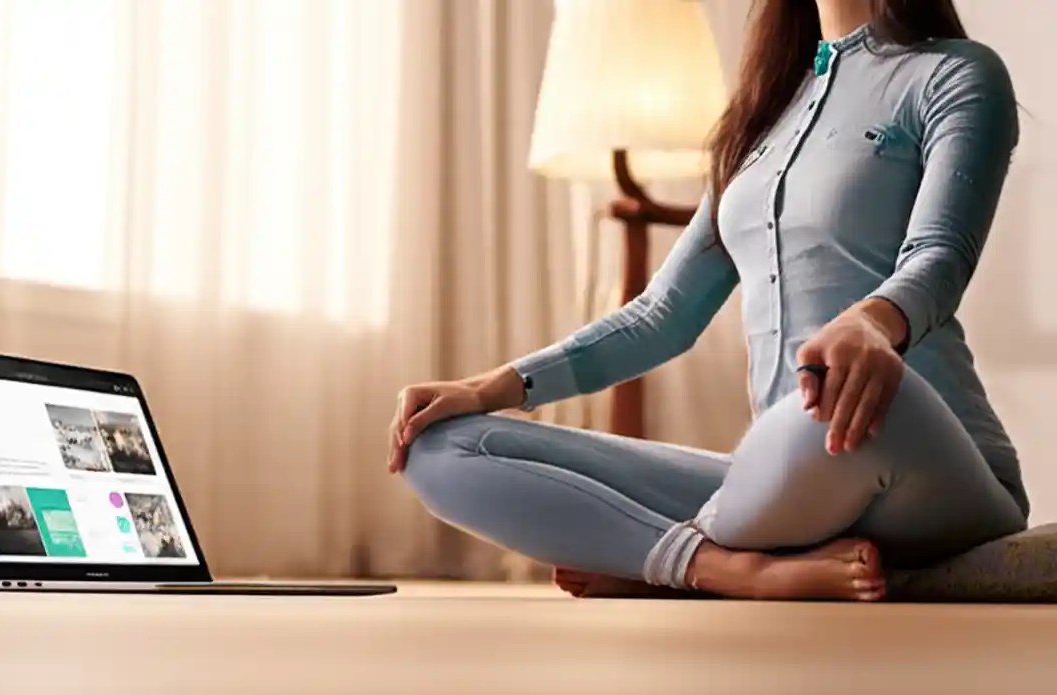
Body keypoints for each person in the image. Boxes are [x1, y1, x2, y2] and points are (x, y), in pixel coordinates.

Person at [386, 0, 1028, 602]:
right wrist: (492, 387)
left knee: (835, 410)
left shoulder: (956, 74)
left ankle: (651, 556)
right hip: (780, 470)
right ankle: (725, 568)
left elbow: (940, 256)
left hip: (914, 453)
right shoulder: (763, 116)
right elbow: (661, 316)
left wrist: (870, 323)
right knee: (440, 447)